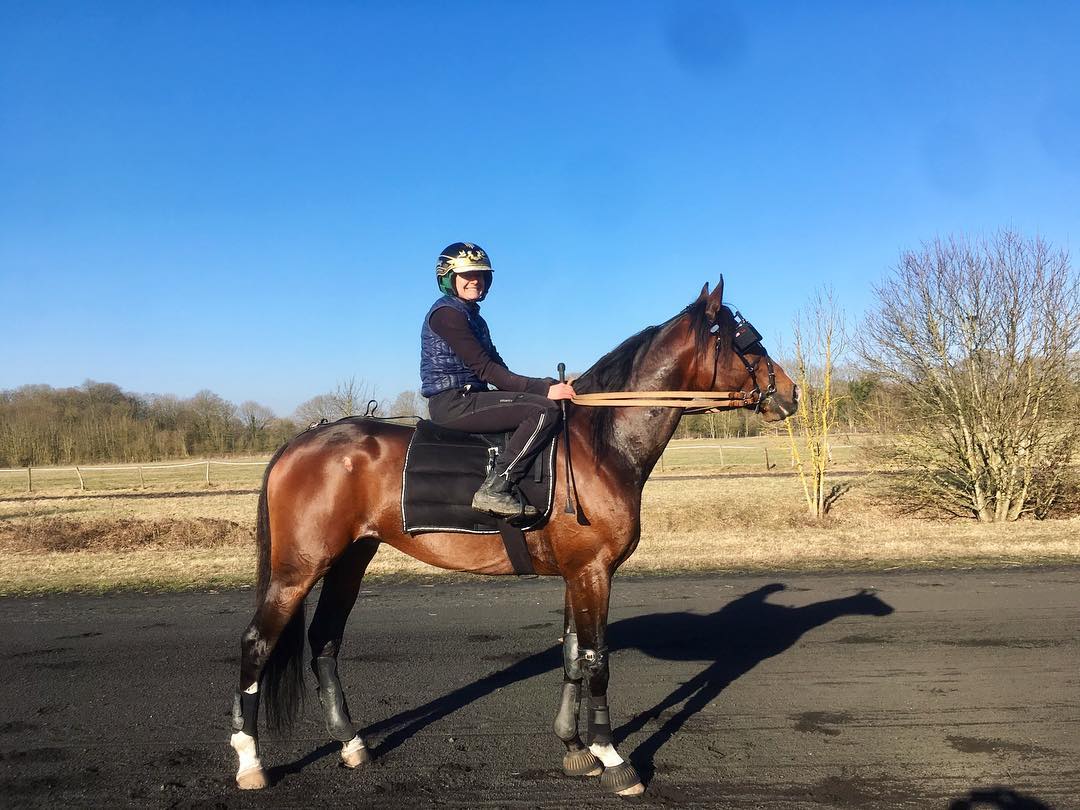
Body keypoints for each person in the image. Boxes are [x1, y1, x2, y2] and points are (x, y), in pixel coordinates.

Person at [420, 242, 575, 519]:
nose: (475, 280)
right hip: (453, 403)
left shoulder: (475, 319)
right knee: (543, 411)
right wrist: (544, 391)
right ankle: (495, 489)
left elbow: (500, 370)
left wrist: (544, 383)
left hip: (471, 397)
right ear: (448, 278)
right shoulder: (447, 315)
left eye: (480, 274)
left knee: (542, 401)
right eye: (467, 275)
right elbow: (486, 370)